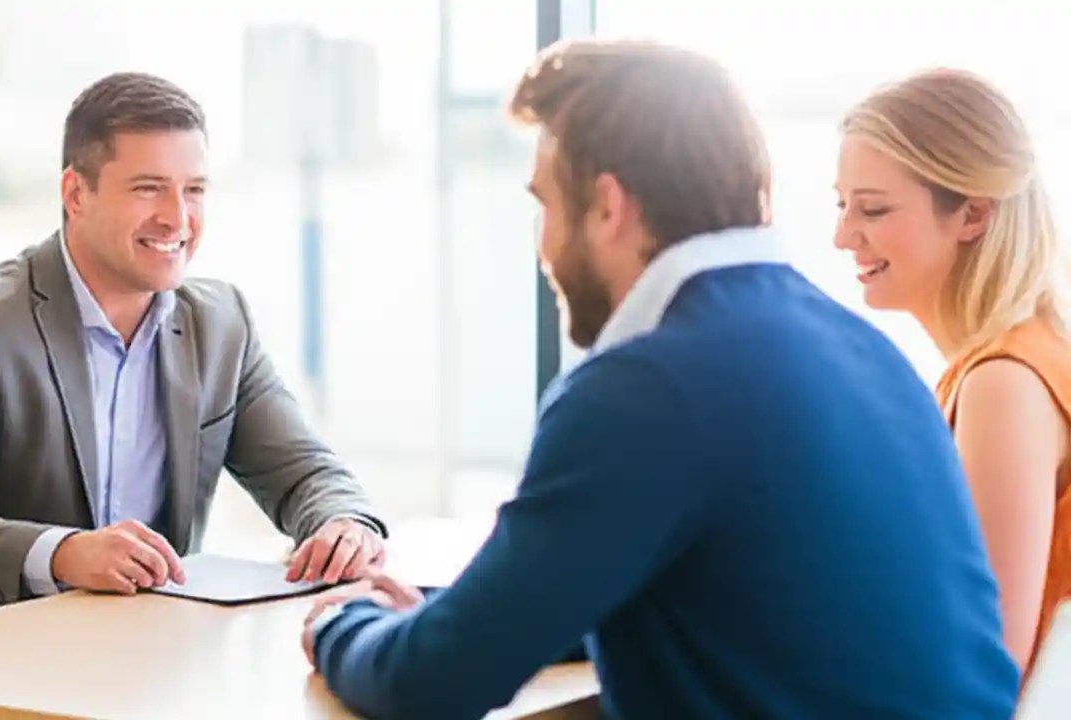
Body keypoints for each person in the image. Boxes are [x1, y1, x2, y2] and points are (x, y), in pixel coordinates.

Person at [299, 40, 1020, 719]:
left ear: (609, 206)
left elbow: (436, 682)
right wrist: (442, 609)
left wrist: (340, 621)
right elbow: (716, 592)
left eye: (544, 204)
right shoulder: (862, 351)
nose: (542, 244)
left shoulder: (646, 388)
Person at [0, 72, 386, 624]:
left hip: (147, 654)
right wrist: (68, 553)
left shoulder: (219, 325)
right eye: (148, 188)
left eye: (193, 189)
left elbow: (306, 473)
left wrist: (344, 524)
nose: (177, 217)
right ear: (76, 193)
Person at [835, 68, 1071, 675]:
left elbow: (986, 666)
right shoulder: (1012, 363)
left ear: (972, 215)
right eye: (842, 205)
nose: (842, 235)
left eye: (873, 209)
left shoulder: (1005, 383)